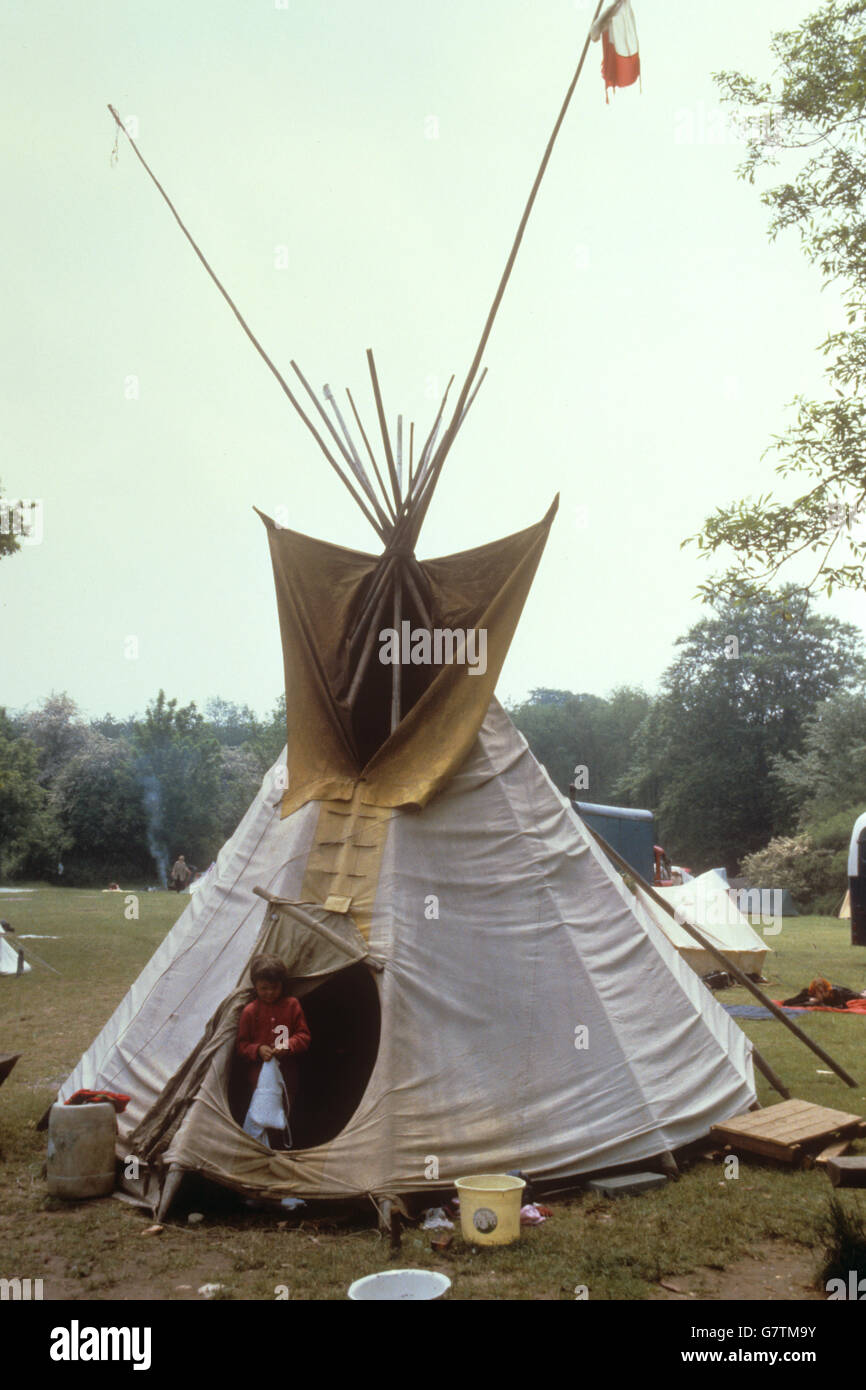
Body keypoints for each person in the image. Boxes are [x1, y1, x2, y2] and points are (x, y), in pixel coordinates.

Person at [236, 955, 311, 1143]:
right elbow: (241, 1046)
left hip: (287, 1078)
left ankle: (277, 1148)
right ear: (255, 986)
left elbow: (304, 1036)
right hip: (258, 1079)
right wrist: (258, 1049)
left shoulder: (292, 1005)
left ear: (282, 985)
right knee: (259, 1116)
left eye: (274, 988)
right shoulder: (250, 1012)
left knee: (282, 1115)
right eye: (264, 988)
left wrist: (288, 1045)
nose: (269, 993)